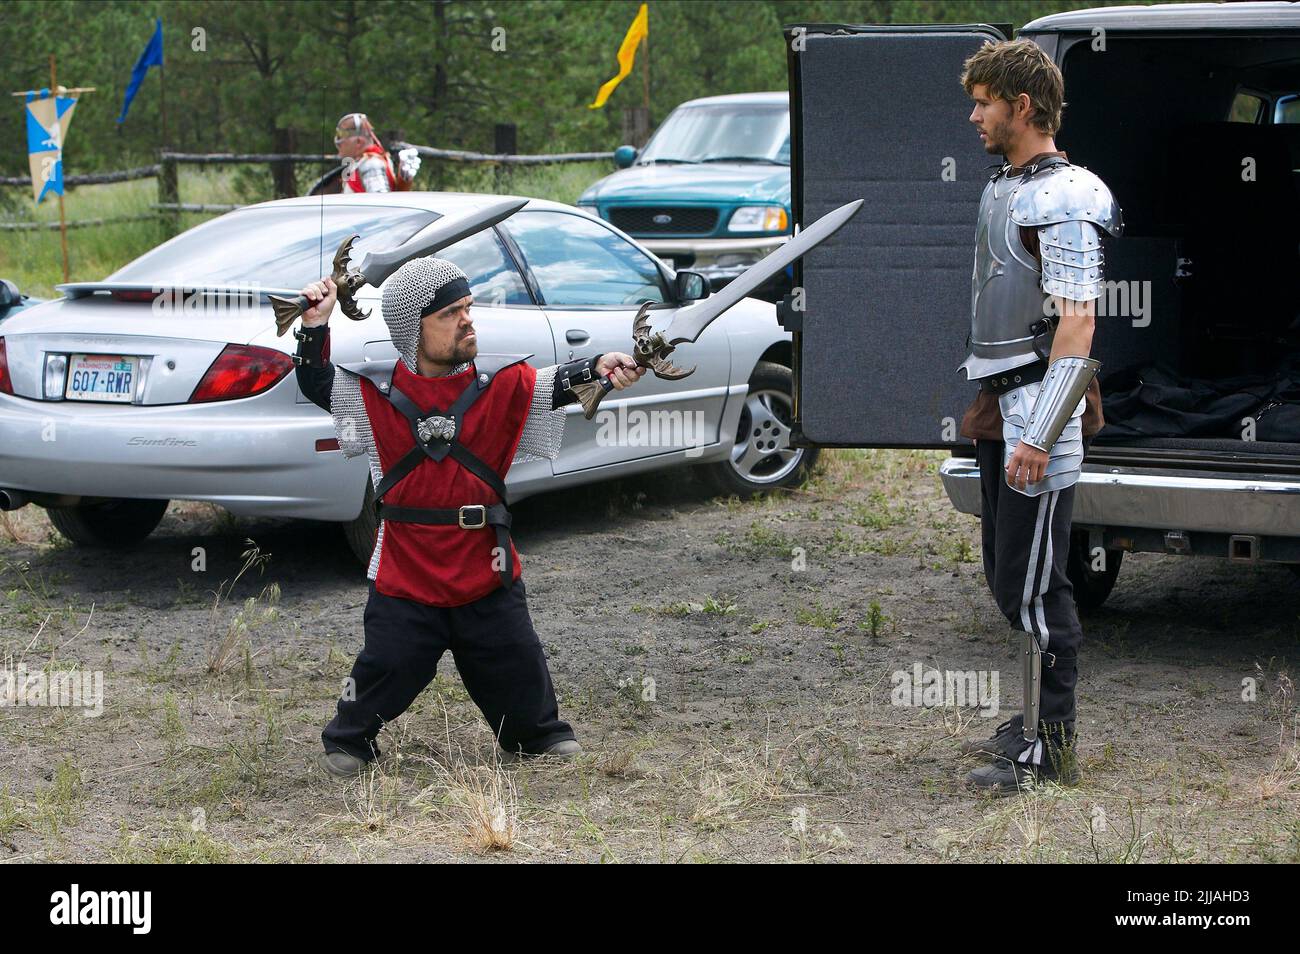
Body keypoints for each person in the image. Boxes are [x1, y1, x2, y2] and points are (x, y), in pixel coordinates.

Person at [292, 256, 645, 775]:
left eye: (468, 308)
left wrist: (600, 370)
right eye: (450, 313)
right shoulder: (373, 393)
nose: (467, 320)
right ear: (412, 328)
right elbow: (316, 382)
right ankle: (348, 740)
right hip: (405, 571)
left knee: (517, 665)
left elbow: (555, 384)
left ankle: (536, 733)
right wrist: (315, 323)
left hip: (486, 565)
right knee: (386, 666)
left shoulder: (500, 383)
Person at [953, 39, 1122, 794]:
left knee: (1038, 584)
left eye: (984, 101)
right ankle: (1029, 721)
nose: (975, 115)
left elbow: (1077, 325)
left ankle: (1049, 745)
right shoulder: (1005, 188)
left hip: (1037, 401)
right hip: (1000, 396)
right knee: (1005, 572)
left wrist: (1040, 431)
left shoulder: (1067, 195)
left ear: (1022, 106)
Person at [333, 112, 420, 193]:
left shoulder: (371, 165)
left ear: (359, 142)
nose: (340, 145)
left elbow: (380, 205)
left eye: (343, 140)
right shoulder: (361, 162)